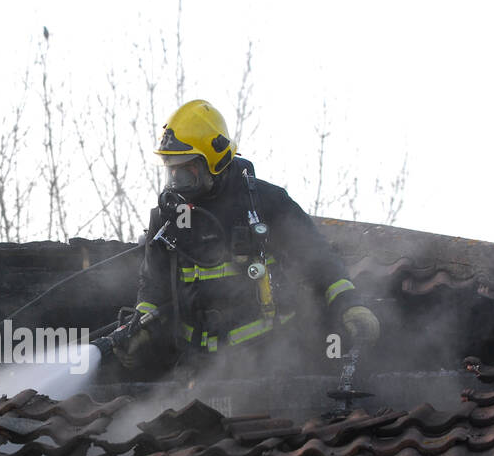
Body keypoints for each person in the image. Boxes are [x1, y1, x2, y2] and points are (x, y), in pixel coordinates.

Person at [114, 100, 379, 377]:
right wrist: (140, 330)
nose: (177, 179)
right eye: (171, 169)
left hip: (270, 360)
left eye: (187, 169)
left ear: (214, 159)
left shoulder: (267, 203)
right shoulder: (166, 220)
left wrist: (349, 304)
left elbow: (317, 257)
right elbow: (153, 286)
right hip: (197, 368)